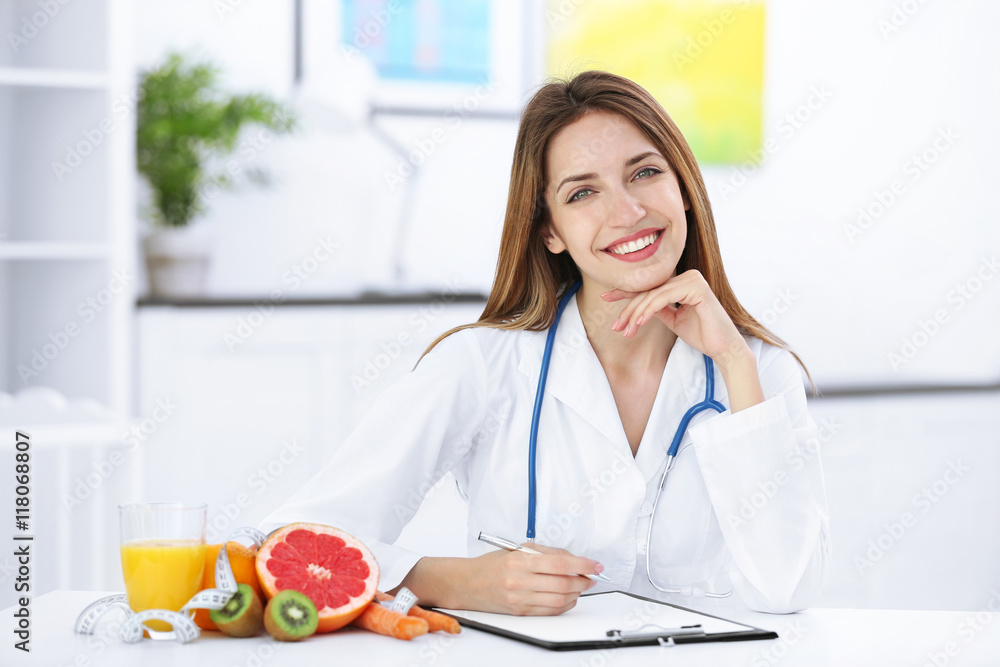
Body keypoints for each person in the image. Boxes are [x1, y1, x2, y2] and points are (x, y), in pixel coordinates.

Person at [259, 70, 830, 616]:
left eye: (645, 173)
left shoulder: (759, 371)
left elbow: (788, 587)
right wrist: (460, 582)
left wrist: (732, 360)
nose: (627, 212)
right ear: (550, 231)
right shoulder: (481, 365)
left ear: (684, 190)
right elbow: (292, 542)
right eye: (582, 193)